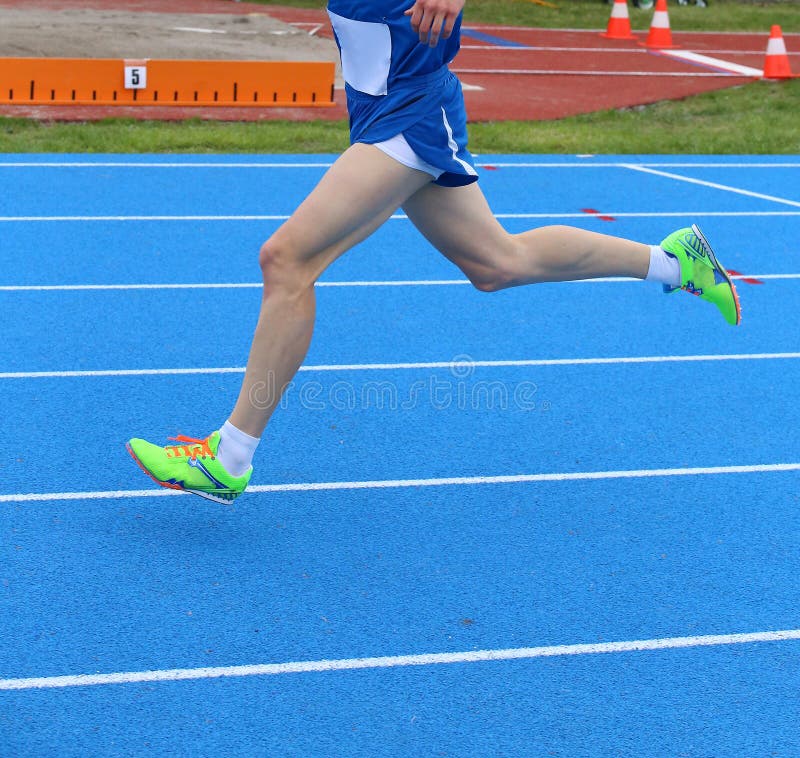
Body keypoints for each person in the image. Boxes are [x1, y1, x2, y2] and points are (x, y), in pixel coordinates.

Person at [126, 0, 740, 504]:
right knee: (497, 264)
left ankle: (231, 455)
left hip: (409, 110)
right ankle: (674, 260)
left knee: (286, 259)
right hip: (381, 107)